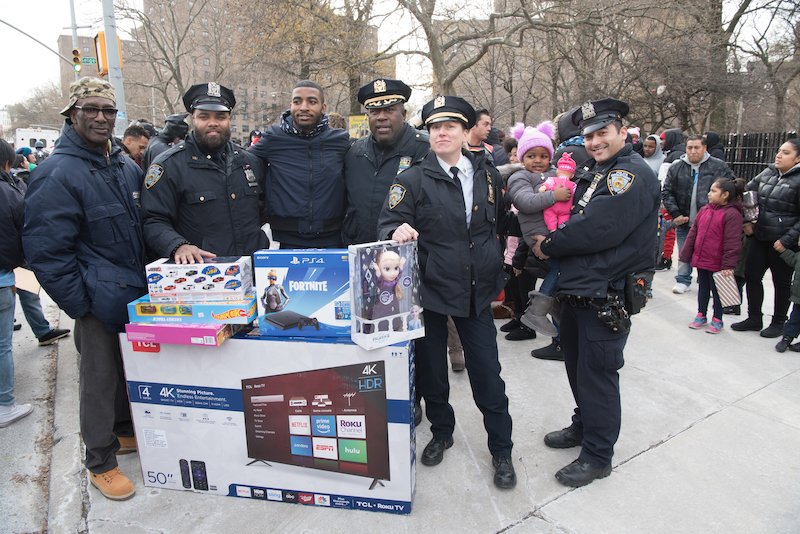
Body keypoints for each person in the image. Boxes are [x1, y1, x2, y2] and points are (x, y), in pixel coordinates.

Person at [377, 95, 516, 490]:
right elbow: (387, 223)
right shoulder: (411, 180)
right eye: (435, 127)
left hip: (476, 293)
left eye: (450, 126)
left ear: (465, 132)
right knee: (432, 373)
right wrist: (395, 232)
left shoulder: (488, 175)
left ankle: (501, 448)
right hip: (431, 292)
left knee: (488, 373)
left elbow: (497, 223)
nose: (441, 132)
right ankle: (442, 431)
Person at [23, 77, 146, 500]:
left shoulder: (124, 164)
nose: (100, 117)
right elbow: (46, 253)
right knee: (97, 378)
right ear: (71, 115)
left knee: (127, 370)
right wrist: (83, 305)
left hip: (133, 293)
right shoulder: (55, 172)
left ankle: (123, 430)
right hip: (96, 300)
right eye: (90, 109)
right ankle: (100, 459)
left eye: (108, 111)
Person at [531, 98, 660, 487]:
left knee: (598, 375)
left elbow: (597, 228)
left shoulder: (629, 175)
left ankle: (598, 455)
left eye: (602, 132)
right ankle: (584, 426)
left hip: (606, 293)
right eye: (588, 135)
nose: (594, 141)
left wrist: (549, 245)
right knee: (577, 367)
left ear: (623, 131)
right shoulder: (600, 170)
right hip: (579, 288)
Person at [141, 83, 269, 262]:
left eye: (220, 116)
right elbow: (152, 220)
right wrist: (178, 245)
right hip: (205, 276)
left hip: (252, 273)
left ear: (229, 119)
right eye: (204, 116)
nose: (213, 123)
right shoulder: (169, 166)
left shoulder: (250, 162)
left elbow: (264, 212)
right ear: (193, 119)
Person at [250, 80, 351, 248]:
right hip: (286, 238)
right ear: (291, 105)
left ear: (323, 107)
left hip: (333, 236)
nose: (304, 107)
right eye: (297, 101)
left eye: (312, 102)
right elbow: (244, 163)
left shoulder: (339, 140)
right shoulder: (274, 138)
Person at [342, 78, 429, 246]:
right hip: (360, 253)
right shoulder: (355, 153)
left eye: (389, 110)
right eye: (375, 112)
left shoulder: (425, 151)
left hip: (406, 256)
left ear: (403, 114)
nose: (381, 117)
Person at [732, 139, 800, 338]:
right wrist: (747, 223)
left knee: (782, 283)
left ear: (797, 158)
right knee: (752, 276)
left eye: (786, 153)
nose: (779, 155)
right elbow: (747, 194)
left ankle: (778, 321)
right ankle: (754, 318)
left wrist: (786, 241)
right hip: (759, 236)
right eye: (779, 151)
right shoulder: (768, 172)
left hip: (781, 243)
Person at [506, 121, 568, 339]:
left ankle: (559, 333)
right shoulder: (519, 177)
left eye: (543, 155)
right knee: (561, 268)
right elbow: (525, 201)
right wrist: (554, 196)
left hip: (557, 232)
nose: (538, 161)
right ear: (522, 157)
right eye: (531, 156)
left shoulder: (555, 174)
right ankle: (536, 311)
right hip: (539, 237)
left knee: (564, 279)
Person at [661, 135, 735, 294]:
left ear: (705, 148)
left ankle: (707, 280)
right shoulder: (676, 167)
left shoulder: (718, 167)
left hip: (711, 222)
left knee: (710, 253)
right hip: (684, 219)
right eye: (690, 148)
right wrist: (675, 213)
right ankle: (683, 279)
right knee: (683, 251)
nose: (693, 151)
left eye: (697, 148)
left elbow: (730, 189)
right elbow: (667, 192)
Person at [680, 178, 744, 334]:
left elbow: (732, 242)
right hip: (703, 259)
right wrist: (686, 253)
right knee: (703, 289)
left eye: (714, 191)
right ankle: (701, 314)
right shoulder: (704, 210)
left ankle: (717, 319)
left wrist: (728, 265)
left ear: (725, 195)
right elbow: (693, 233)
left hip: (719, 262)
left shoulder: (732, 215)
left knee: (718, 292)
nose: (709, 194)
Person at [0, 138, 33, 428]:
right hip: (4, 274)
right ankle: (5, 403)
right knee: (2, 346)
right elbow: (15, 233)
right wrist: (16, 270)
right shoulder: (8, 191)